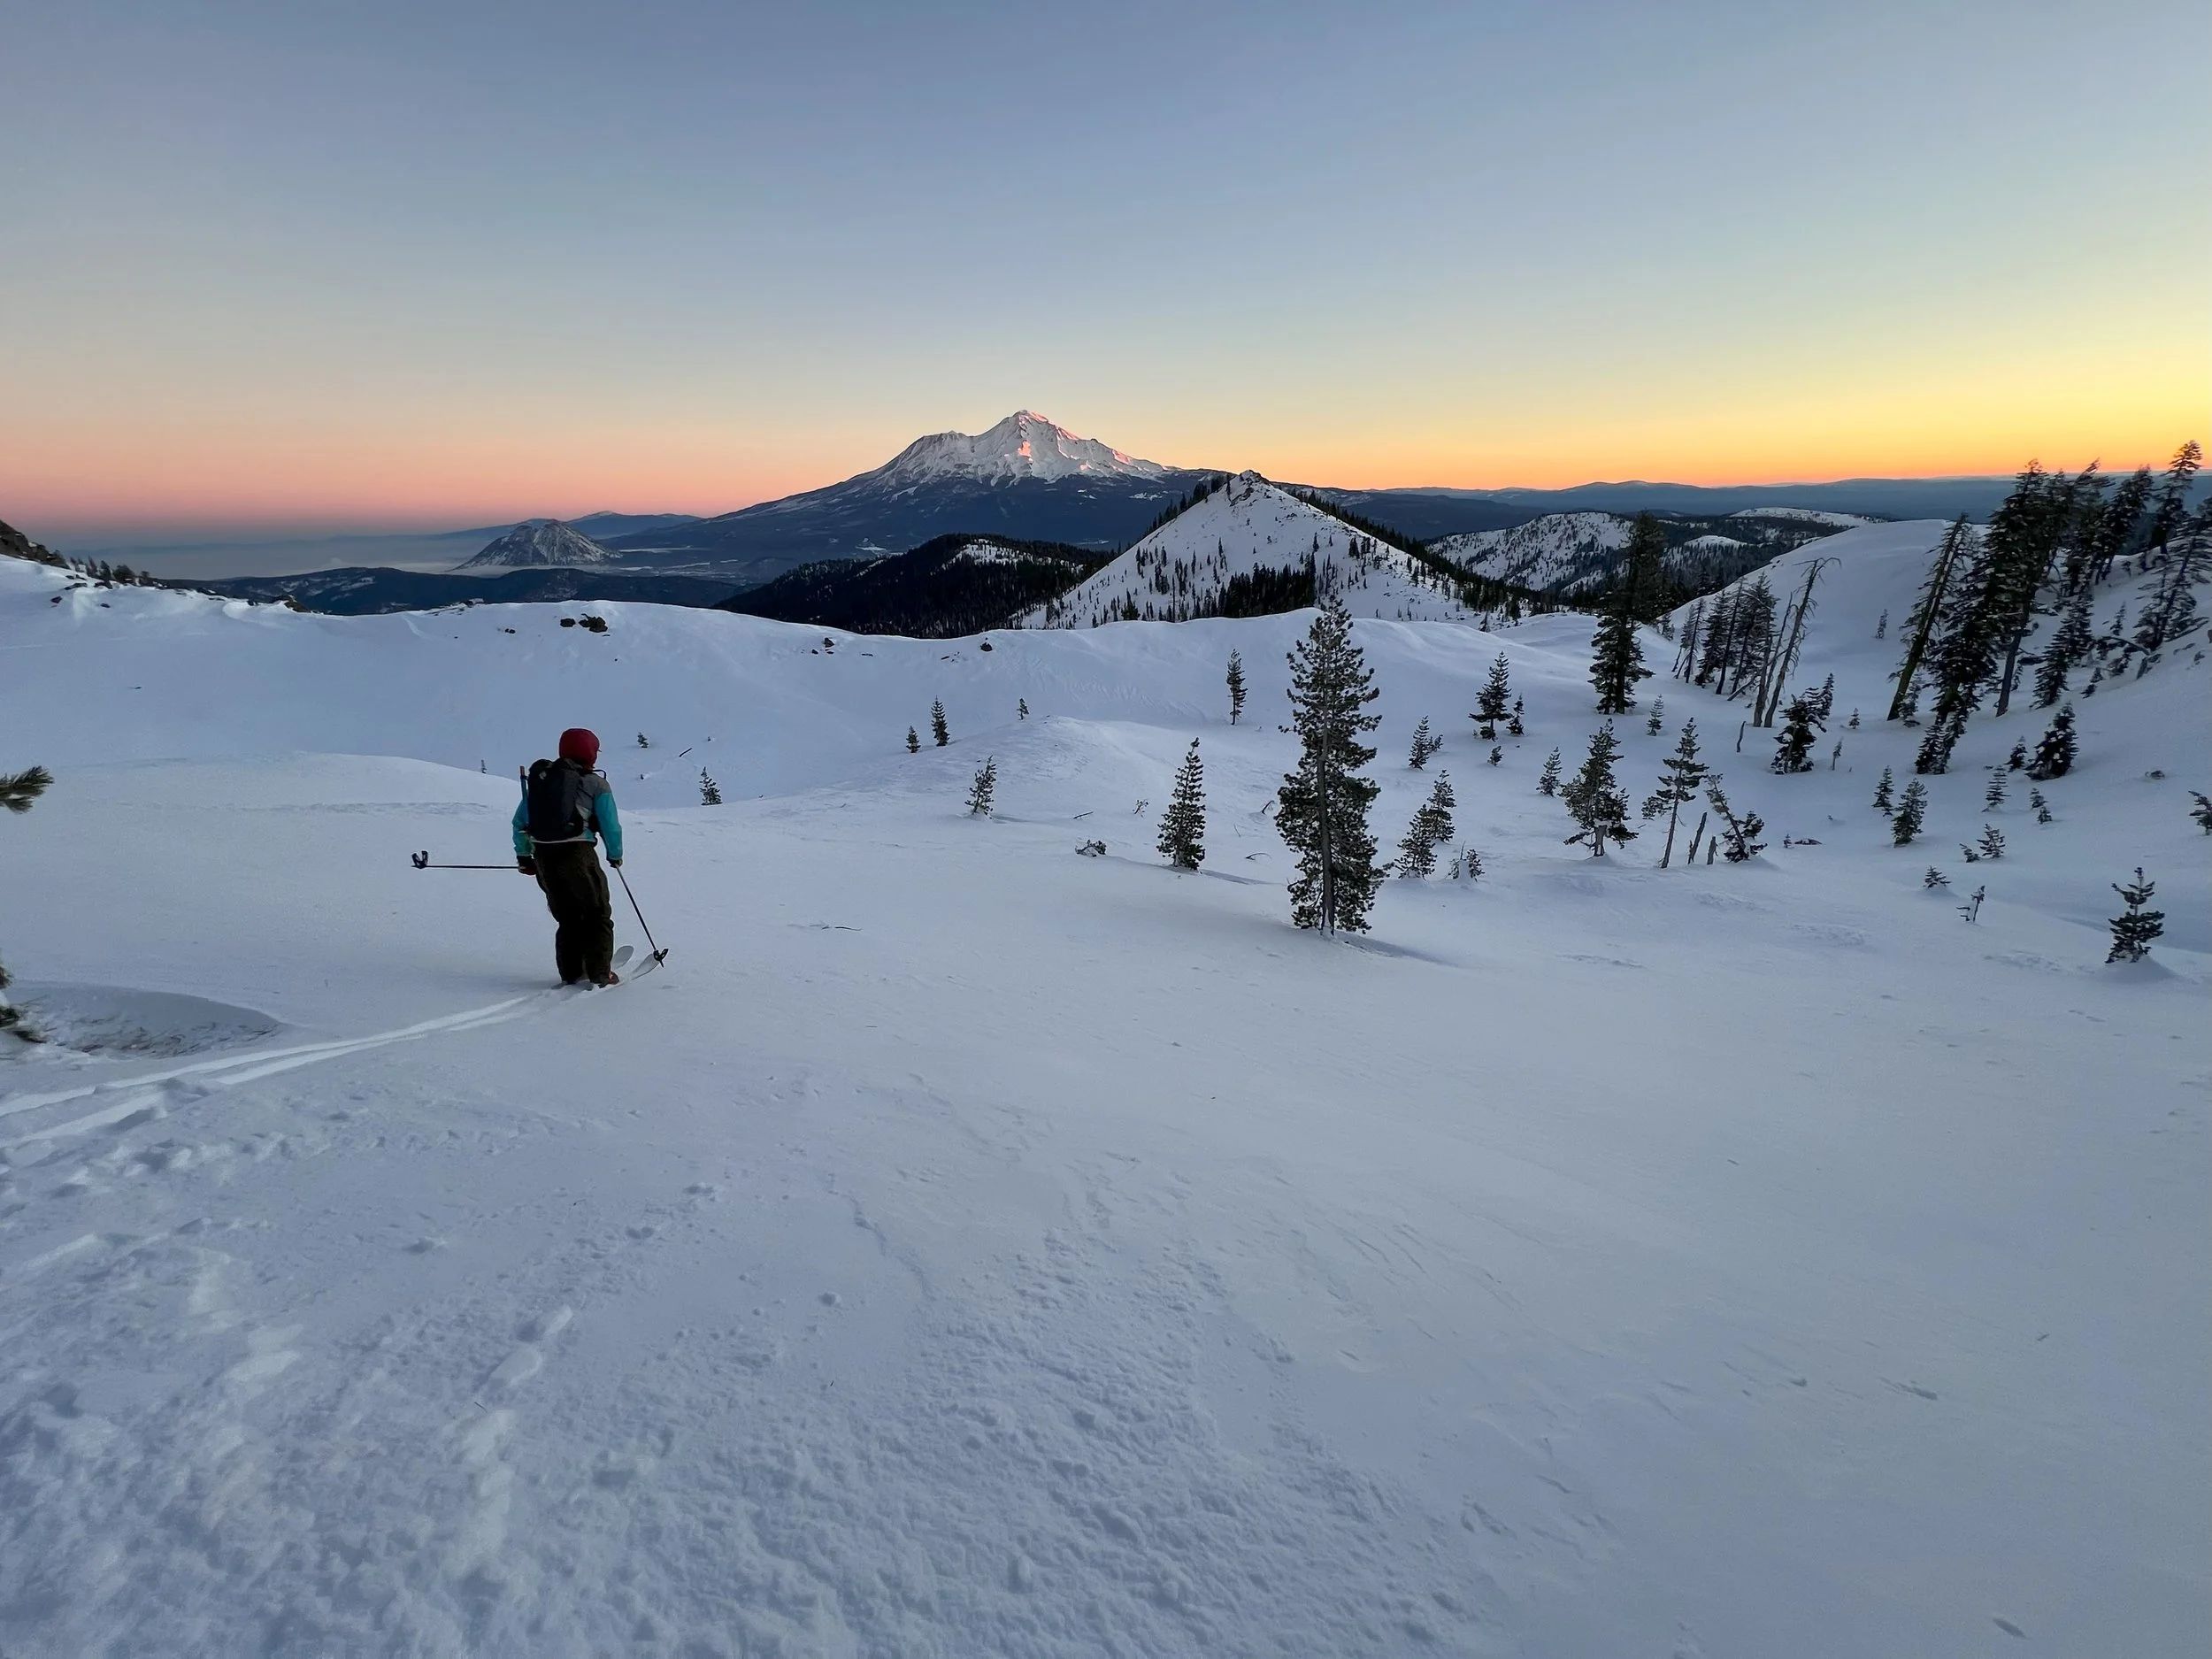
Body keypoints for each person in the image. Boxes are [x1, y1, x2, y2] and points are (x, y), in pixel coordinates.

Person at [513, 727, 624, 986]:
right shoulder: (596, 783)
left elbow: (520, 822)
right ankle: (600, 973)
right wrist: (615, 855)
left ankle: (571, 972)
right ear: (591, 753)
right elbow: (610, 824)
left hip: (543, 855)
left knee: (568, 916)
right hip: (578, 853)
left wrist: (524, 857)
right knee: (596, 913)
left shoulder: (541, 782)